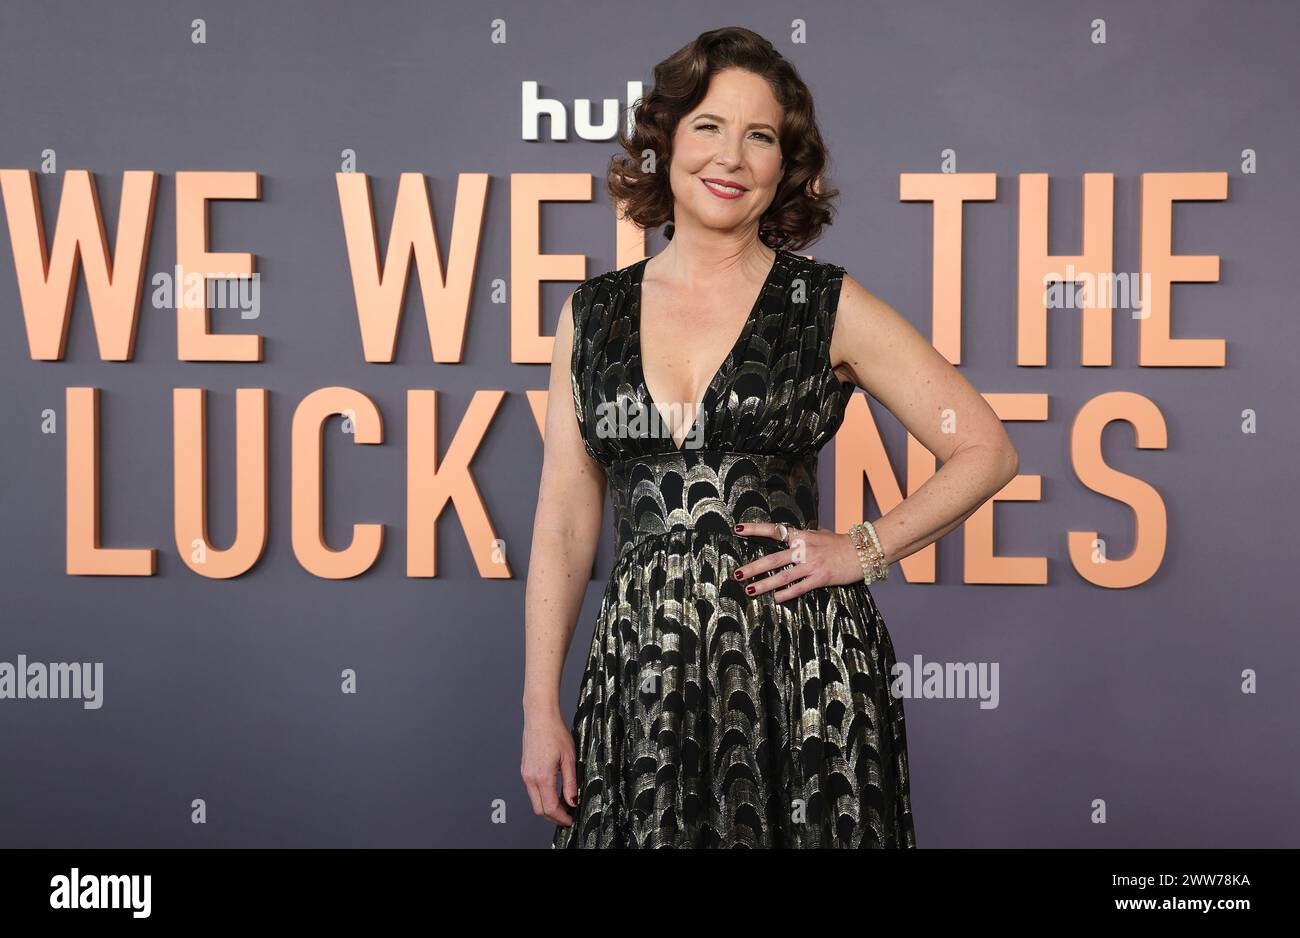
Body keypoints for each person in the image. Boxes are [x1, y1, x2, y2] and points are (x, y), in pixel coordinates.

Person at [521, 26, 1018, 848]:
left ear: (784, 168)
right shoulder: (591, 316)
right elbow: (565, 524)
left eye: (761, 138)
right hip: (643, 676)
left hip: (804, 672)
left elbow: (986, 449)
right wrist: (541, 709)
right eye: (710, 126)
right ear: (666, 142)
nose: (732, 157)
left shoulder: (827, 303)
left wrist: (860, 548)